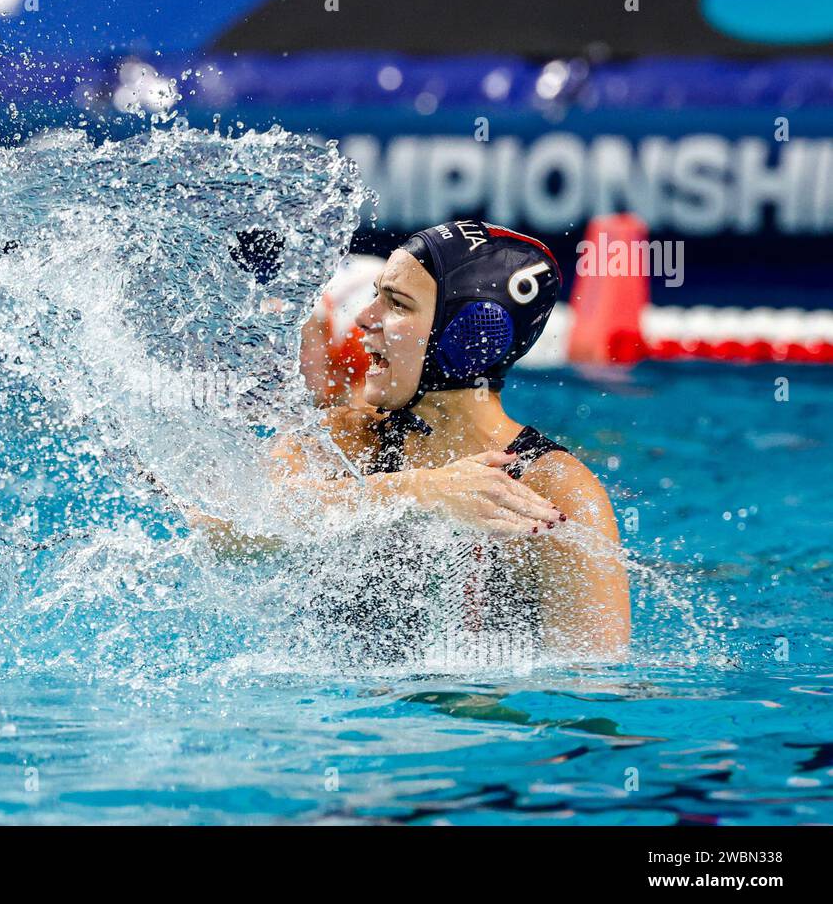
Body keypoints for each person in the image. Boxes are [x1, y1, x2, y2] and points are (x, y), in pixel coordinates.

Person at [194, 220, 630, 661]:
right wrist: (423, 490)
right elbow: (236, 533)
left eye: (397, 304)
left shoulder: (555, 491)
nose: (365, 318)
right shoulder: (343, 439)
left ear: (471, 336)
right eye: (375, 296)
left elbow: (590, 693)